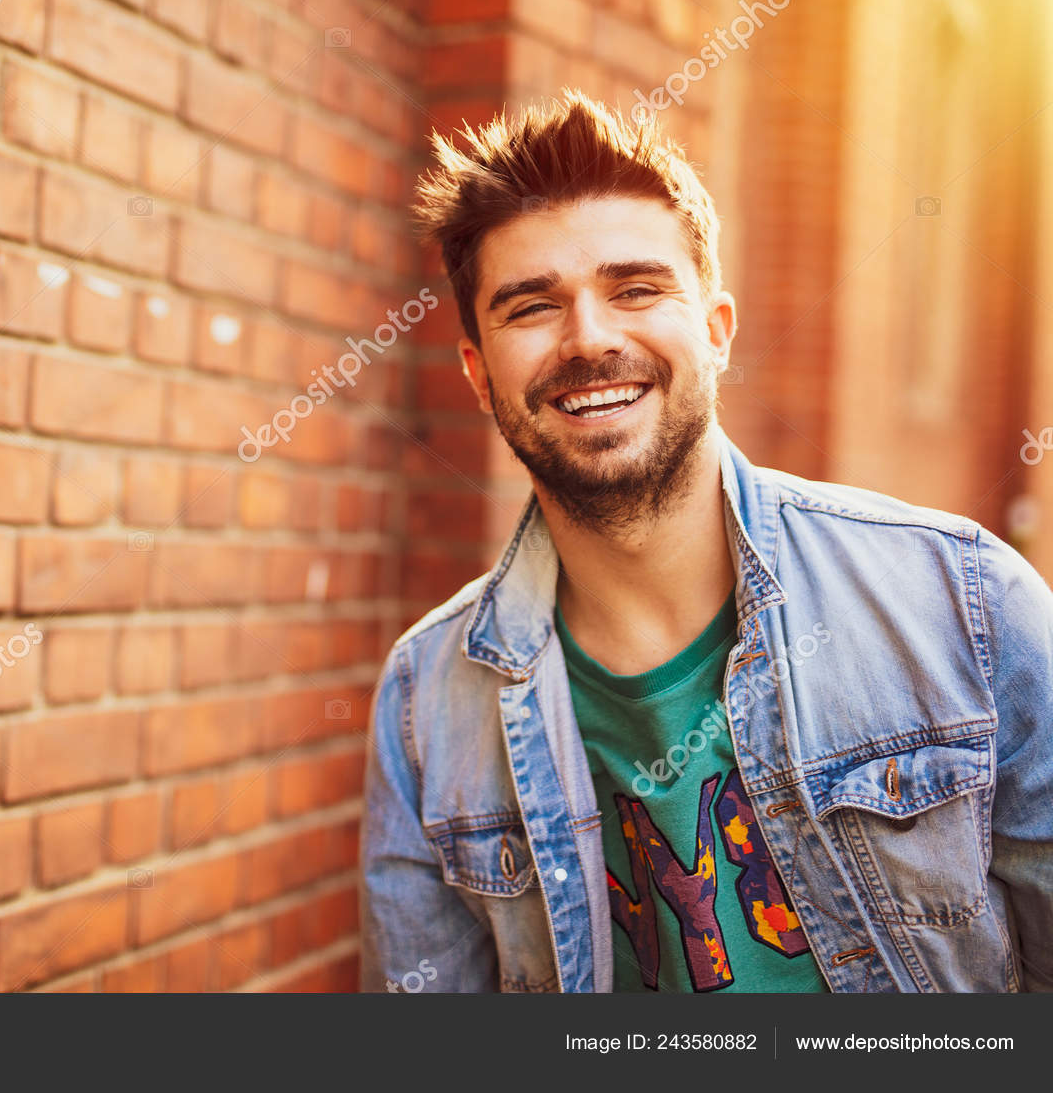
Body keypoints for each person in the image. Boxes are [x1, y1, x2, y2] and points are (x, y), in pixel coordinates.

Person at [359, 90, 1053, 993]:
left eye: (636, 288)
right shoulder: (427, 701)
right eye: (532, 306)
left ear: (717, 331)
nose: (590, 338)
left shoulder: (967, 603)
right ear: (478, 376)